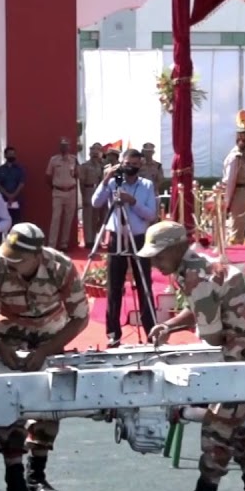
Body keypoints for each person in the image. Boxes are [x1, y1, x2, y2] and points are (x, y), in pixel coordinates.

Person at [140, 222, 245, 491]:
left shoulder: (196, 276)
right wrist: (170, 325)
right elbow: (203, 308)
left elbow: (213, 335)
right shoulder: (196, 268)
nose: (154, 262)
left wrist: (191, 329)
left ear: (177, 248)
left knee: (218, 425)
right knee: (239, 425)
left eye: (158, 255)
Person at [0, 223, 89, 491]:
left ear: (38, 255)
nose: (12, 262)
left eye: (20, 258)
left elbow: (80, 317)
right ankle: (14, 480)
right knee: (9, 406)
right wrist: (1, 349)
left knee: (48, 405)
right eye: (10, 255)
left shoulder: (60, 267)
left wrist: (45, 350)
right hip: (7, 332)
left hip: (49, 334)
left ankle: (36, 475)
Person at [91, 148, 158, 348]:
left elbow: (151, 215)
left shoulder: (146, 185)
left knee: (144, 285)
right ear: (121, 163)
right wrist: (105, 180)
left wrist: (133, 202)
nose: (131, 168)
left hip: (138, 238)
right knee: (114, 287)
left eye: (136, 165)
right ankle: (113, 333)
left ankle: (151, 331)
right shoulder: (112, 182)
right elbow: (95, 203)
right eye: (128, 164)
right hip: (116, 237)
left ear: (140, 166)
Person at [221, 113, 245, 244]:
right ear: (238, 139)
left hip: (244, 192)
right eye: (243, 139)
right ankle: (234, 254)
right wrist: (227, 201)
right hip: (237, 192)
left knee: (241, 226)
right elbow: (230, 181)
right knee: (236, 228)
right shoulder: (235, 157)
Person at [45, 137, 80, 250]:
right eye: (62, 145)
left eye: (67, 145)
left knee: (68, 219)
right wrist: (54, 187)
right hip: (58, 192)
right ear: (60, 147)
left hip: (71, 191)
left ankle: (64, 244)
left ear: (69, 147)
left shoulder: (74, 159)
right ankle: (52, 245)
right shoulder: (54, 160)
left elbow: (77, 175)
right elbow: (48, 176)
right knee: (56, 219)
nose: (64, 147)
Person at [79, 143, 105, 248]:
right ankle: (88, 241)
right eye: (93, 152)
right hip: (88, 189)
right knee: (88, 217)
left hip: (98, 190)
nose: (95, 154)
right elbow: (81, 182)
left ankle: (94, 239)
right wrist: (83, 195)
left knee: (96, 217)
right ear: (90, 153)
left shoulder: (102, 166)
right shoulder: (85, 166)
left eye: (97, 152)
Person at [0, 147, 26, 224]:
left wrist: (13, 196)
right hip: (3, 200)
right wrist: (7, 195)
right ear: (5, 155)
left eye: (13, 154)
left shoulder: (19, 169)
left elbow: (21, 183)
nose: (12, 156)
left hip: (16, 200)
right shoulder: (0, 169)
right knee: (2, 222)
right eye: (10, 154)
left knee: (16, 222)